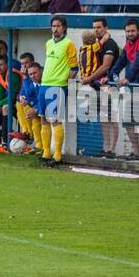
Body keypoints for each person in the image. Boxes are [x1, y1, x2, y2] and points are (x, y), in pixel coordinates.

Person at [40, 14, 80, 166]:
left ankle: (57, 155)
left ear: (64, 28)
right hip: (44, 84)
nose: (55, 29)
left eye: (58, 26)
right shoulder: (48, 43)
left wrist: (64, 82)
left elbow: (74, 68)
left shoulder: (68, 44)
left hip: (57, 85)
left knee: (55, 120)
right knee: (43, 118)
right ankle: (45, 152)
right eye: (53, 26)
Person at [80, 17, 121, 157]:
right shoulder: (95, 45)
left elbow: (106, 66)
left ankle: (112, 149)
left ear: (105, 28)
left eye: (99, 27)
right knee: (104, 118)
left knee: (112, 118)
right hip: (98, 86)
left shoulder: (109, 43)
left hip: (109, 85)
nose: (96, 30)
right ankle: (105, 148)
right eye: (94, 27)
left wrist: (89, 78)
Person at [115, 18, 139, 159]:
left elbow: (138, 64)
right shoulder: (128, 44)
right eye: (127, 31)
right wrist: (111, 75)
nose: (130, 33)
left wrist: (127, 78)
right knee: (129, 121)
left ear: (138, 30)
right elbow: (120, 61)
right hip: (134, 89)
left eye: (132, 31)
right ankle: (137, 152)